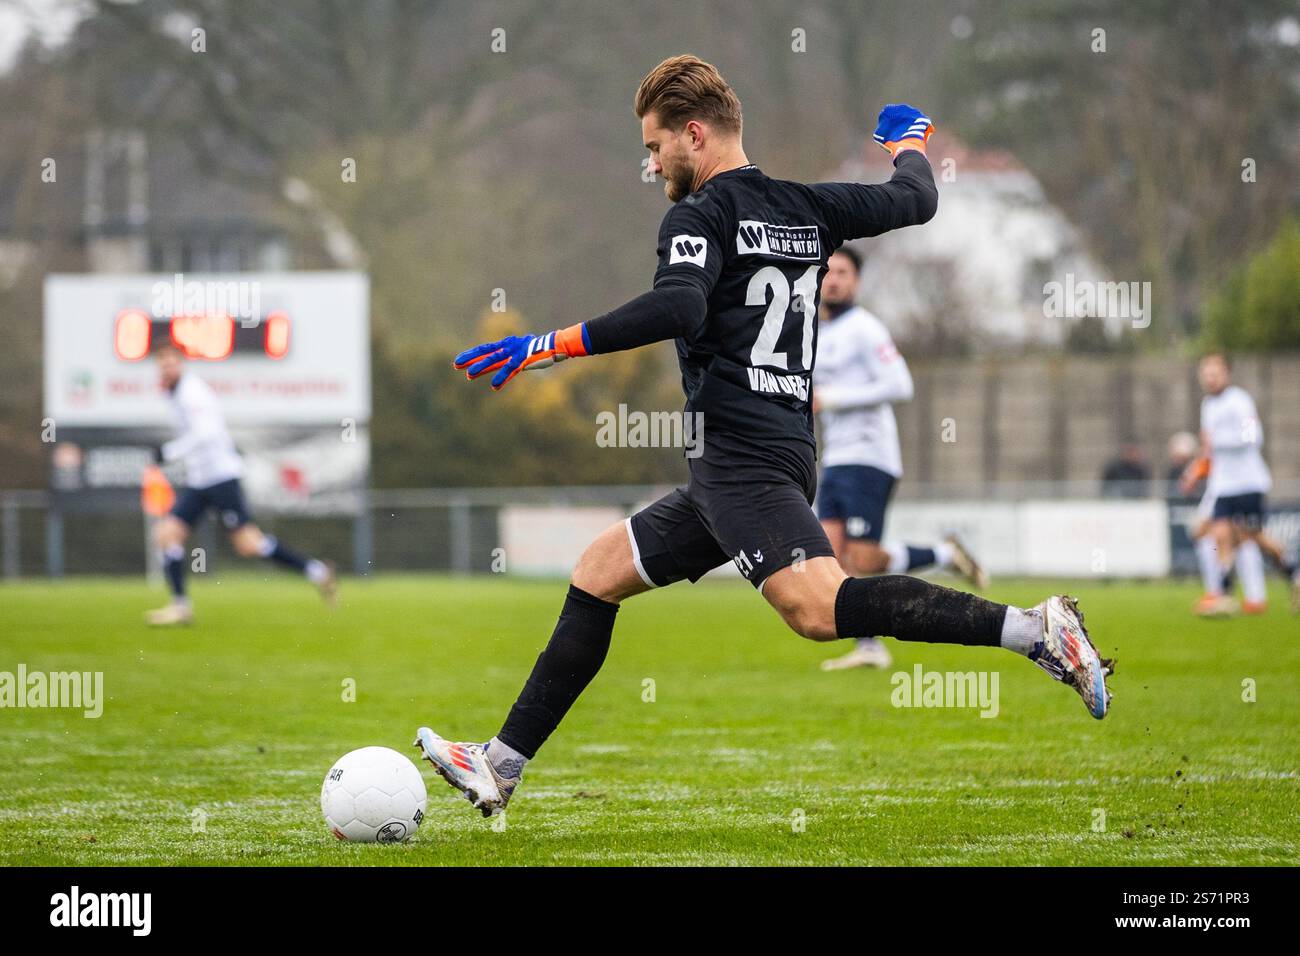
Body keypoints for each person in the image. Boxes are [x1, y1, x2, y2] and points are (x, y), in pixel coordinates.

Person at [413, 55, 1113, 819]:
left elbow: (679, 308)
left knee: (819, 610)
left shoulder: (699, 216)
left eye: (654, 148)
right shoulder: (808, 205)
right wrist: (908, 141)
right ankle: (501, 764)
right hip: (770, 456)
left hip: (741, 462)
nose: (650, 166)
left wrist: (551, 344)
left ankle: (1035, 630)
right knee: (599, 570)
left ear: (694, 134)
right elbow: (915, 199)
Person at [812, 245, 987, 671]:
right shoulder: (813, 332)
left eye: (843, 272)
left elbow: (900, 384)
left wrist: (833, 399)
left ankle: (944, 554)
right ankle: (869, 645)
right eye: (827, 272)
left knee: (862, 560)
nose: (833, 279)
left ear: (857, 282)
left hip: (870, 458)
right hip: (835, 459)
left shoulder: (865, 329)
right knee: (830, 557)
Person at [144, 342, 337, 625]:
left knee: (249, 544)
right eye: (162, 364)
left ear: (181, 364)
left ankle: (318, 572)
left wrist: (168, 452)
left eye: (171, 363)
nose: (167, 368)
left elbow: (206, 433)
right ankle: (181, 607)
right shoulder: (173, 393)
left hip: (221, 478)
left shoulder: (191, 392)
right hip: (201, 481)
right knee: (166, 535)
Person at [1182, 353, 1298, 617]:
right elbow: (1209, 450)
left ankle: (1293, 572)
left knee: (1253, 537)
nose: (1210, 378)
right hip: (1224, 484)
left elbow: (1252, 437)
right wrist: (1196, 470)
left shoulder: (1239, 401)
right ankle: (1223, 593)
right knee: (1220, 533)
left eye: (1215, 373)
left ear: (1227, 374)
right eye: (1206, 373)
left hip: (1248, 481)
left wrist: (1217, 441)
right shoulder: (1208, 405)